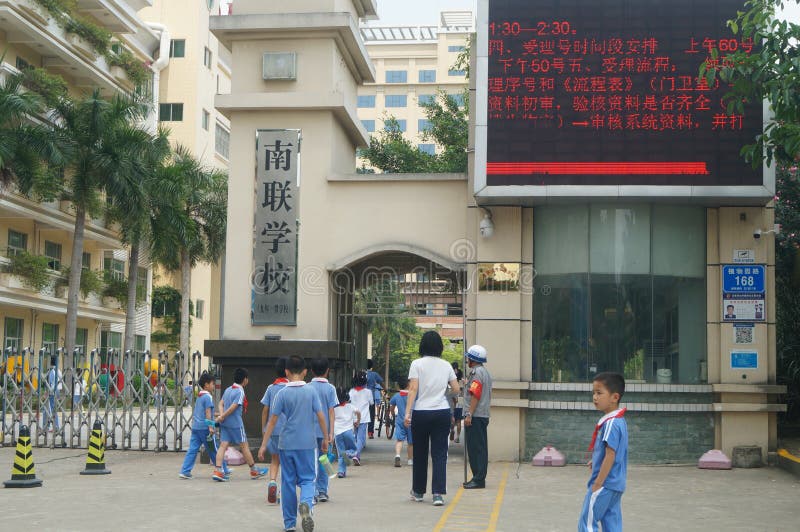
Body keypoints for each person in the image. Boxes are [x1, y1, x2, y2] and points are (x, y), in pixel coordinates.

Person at [259, 355, 328, 532]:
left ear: (287, 372)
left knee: (288, 482)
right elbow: (321, 417)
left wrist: (264, 444)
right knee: (308, 479)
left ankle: (289, 523)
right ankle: (306, 504)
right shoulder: (311, 392)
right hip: (307, 443)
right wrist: (326, 438)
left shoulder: (281, 393)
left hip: (286, 443)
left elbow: (272, 421)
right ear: (305, 372)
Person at [404, 330, 460, 507]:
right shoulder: (446, 365)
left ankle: (418, 492)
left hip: (421, 412)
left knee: (420, 453)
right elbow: (456, 389)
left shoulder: (416, 364)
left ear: (423, 345)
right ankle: (437, 494)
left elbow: (413, 389)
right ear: (440, 347)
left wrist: (407, 413)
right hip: (442, 412)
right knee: (440, 454)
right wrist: (444, 394)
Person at [578, 372, 628, 532]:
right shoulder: (619, 420)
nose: (595, 397)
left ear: (614, 397)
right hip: (616, 485)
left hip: (604, 484)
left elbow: (611, 454)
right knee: (612, 524)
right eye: (594, 393)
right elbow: (612, 452)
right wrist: (596, 460)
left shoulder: (611, 423)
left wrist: (598, 483)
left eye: (599, 393)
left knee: (587, 523)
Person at [213, 367, 266, 482]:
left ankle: (218, 471)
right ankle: (254, 470)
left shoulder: (228, 389)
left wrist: (222, 416)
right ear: (245, 379)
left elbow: (221, 404)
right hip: (236, 424)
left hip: (225, 423)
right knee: (244, 446)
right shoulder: (240, 391)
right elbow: (234, 406)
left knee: (223, 446)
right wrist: (223, 416)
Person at [179, 372, 229, 479]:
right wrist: (210, 427)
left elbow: (204, 412)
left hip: (196, 427)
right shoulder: (208, 397)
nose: (213, 386)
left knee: (192, 450)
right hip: (205, 429)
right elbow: (207, 412)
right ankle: (223, 469)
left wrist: (218, 414)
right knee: (214, 450)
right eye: (212, 384)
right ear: (206, 385)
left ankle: (185, 471)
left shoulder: (200, 396)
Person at [463, 345, 493, 489]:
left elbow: (476, 394)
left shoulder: (476, 373)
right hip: (481, 414)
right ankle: (478, 478)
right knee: (479, 447)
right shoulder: (484, 372)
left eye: (468, 358)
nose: (467, 360)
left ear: (473, 359)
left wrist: (469, 414)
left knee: (476, 449)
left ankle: (478, 479)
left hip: (476, 415)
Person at [308, 357, 337, 503]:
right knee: (325, 461)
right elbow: (331, 412)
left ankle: (312, 491)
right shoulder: (331, 388)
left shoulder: (307, 387)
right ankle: (323, 491)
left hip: (309, 431)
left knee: (311, 463)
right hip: (326, 432)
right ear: (328, 371)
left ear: (312, 371)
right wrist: (331, 432)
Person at [261, 357, 289, 503]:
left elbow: (265, 410)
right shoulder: (291, 388)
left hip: (273, 430)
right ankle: (284, 492)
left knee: (274, 459)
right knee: (287, 463)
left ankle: (272, 482)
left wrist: (264, 428)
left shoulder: (270, 388)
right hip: (288, 431)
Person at [332, 387, 360, 478]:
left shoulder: (333, 408)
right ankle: (348, 453)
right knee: (354, 449)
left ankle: (341, 472)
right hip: (348, 432)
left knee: (341, 453)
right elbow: (358, 412)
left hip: (337, 433)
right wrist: (358, 421)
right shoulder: (350, 406)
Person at [348, 370, 372, 464]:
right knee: (361, 439)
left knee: (355, 437)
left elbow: (349, 403)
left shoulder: (351, 391)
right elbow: (371, 403)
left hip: (353, 417)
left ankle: (356, 455)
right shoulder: (368, 392)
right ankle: (355, 454)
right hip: (364, 418)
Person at [389, 376, 413, 467]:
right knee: (411, 443)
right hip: (411, 421)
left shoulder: (396, 396)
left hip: (400, 421)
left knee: (399, 440)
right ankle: (410, 460)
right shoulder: (413, 395)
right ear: (408, 385)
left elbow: (392, 407)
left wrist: (392, 414)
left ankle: (398, 456)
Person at [43, 355, 63, 432]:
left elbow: (51, 383)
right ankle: (54, 426)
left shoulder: (52, 371)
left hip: (52, 391)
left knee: (47, 409)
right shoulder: (59, 371)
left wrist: (46, 392)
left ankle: (49, 426)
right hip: (57, 390)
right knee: (52, 409)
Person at [365, 359, 383, 439]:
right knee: (371, 415)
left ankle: (357, 432)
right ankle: (370, 433)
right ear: (371, 366)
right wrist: (385, 389)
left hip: (362, 397)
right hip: (371, 397)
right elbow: (381, 381)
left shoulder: (361, 373)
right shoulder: (374, 374)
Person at [449, 361, 465, 443]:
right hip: (460, 400)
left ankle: (452, 429)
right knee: (458, 420)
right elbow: (462, 390)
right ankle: (458, 437)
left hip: (452, 399)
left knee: (451, 417)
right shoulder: (461, 378)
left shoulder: (451, 378)